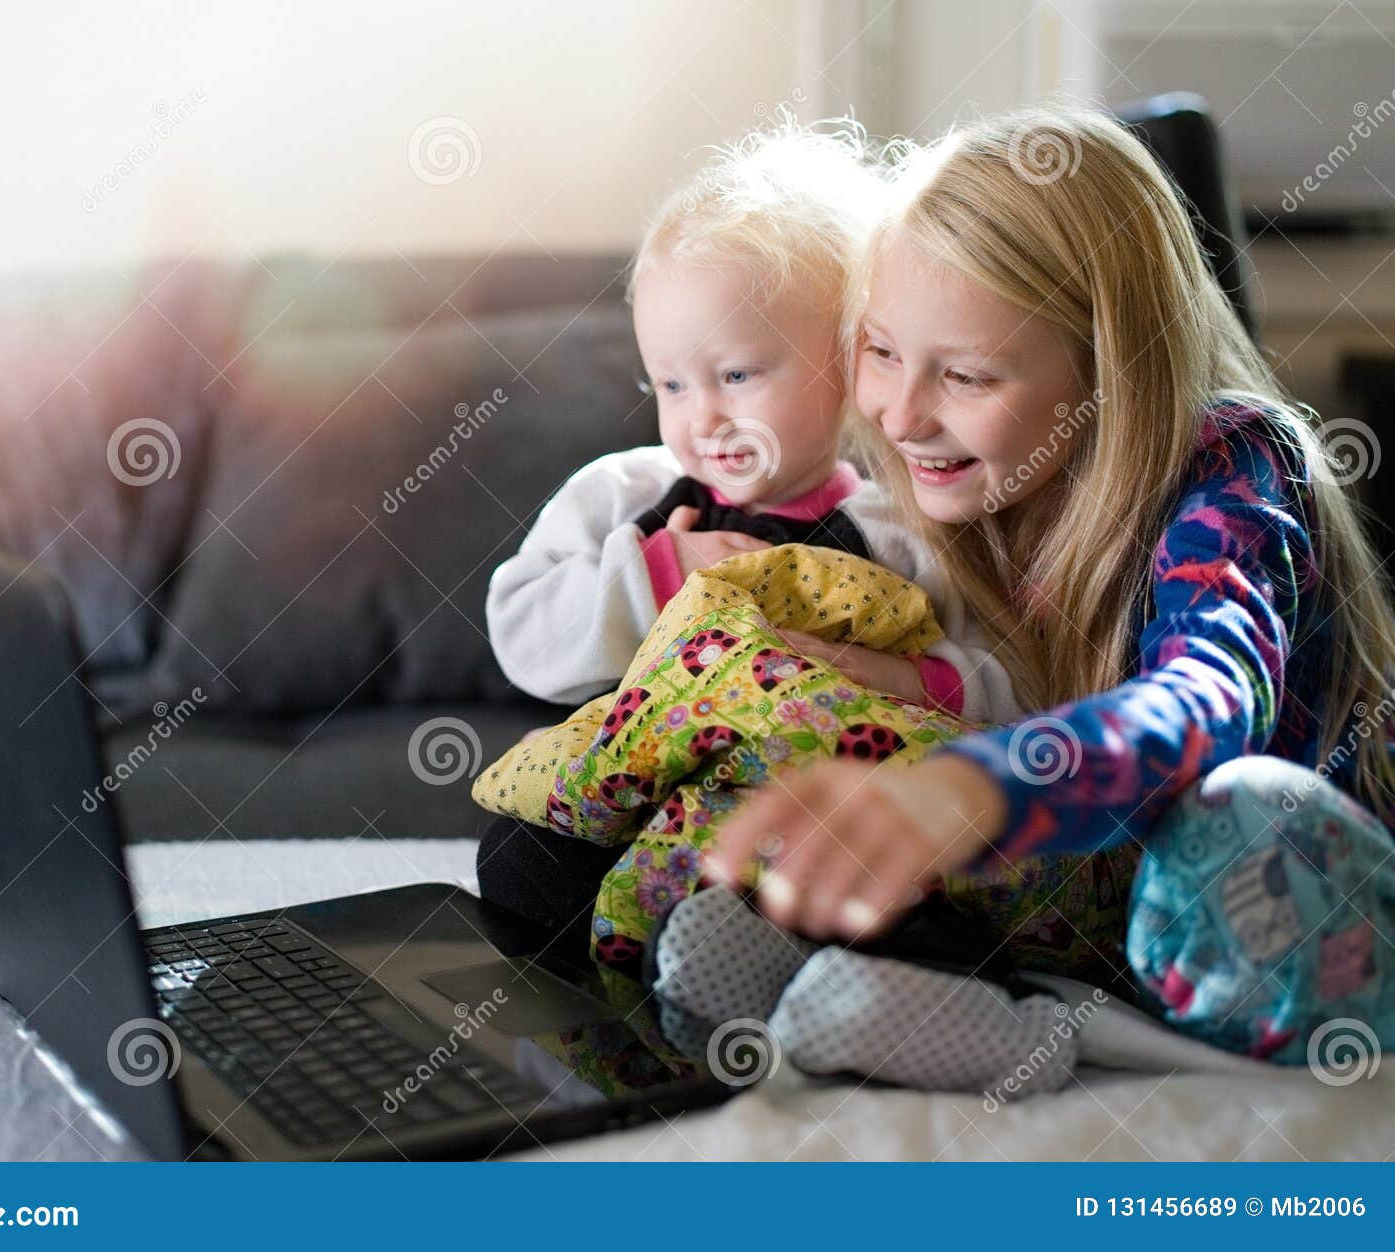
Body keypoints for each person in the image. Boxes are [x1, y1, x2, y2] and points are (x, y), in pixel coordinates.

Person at [704, 105, 1395, 1064]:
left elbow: (1210, 699)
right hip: (1101, 883)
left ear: (1111, 371)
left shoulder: (1236, 466)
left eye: (970, 377)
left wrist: (971, 791)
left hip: (1285, 874)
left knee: (1236, 818)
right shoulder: (967, 487)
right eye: (881, 350)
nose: (900, 414)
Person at [477, 122, 1025, 939]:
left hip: (815, 815)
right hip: (643, 798)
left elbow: (1008, 682)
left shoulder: (903, 522)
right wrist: (657, 572)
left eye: (737, 374)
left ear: (846, 363)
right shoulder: (625, 495)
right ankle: (682, 955)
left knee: (915, 900)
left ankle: (776, 967)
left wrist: (919, 682)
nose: (703, 416)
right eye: (670, 382)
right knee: (516, 860)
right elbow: (520, 630)